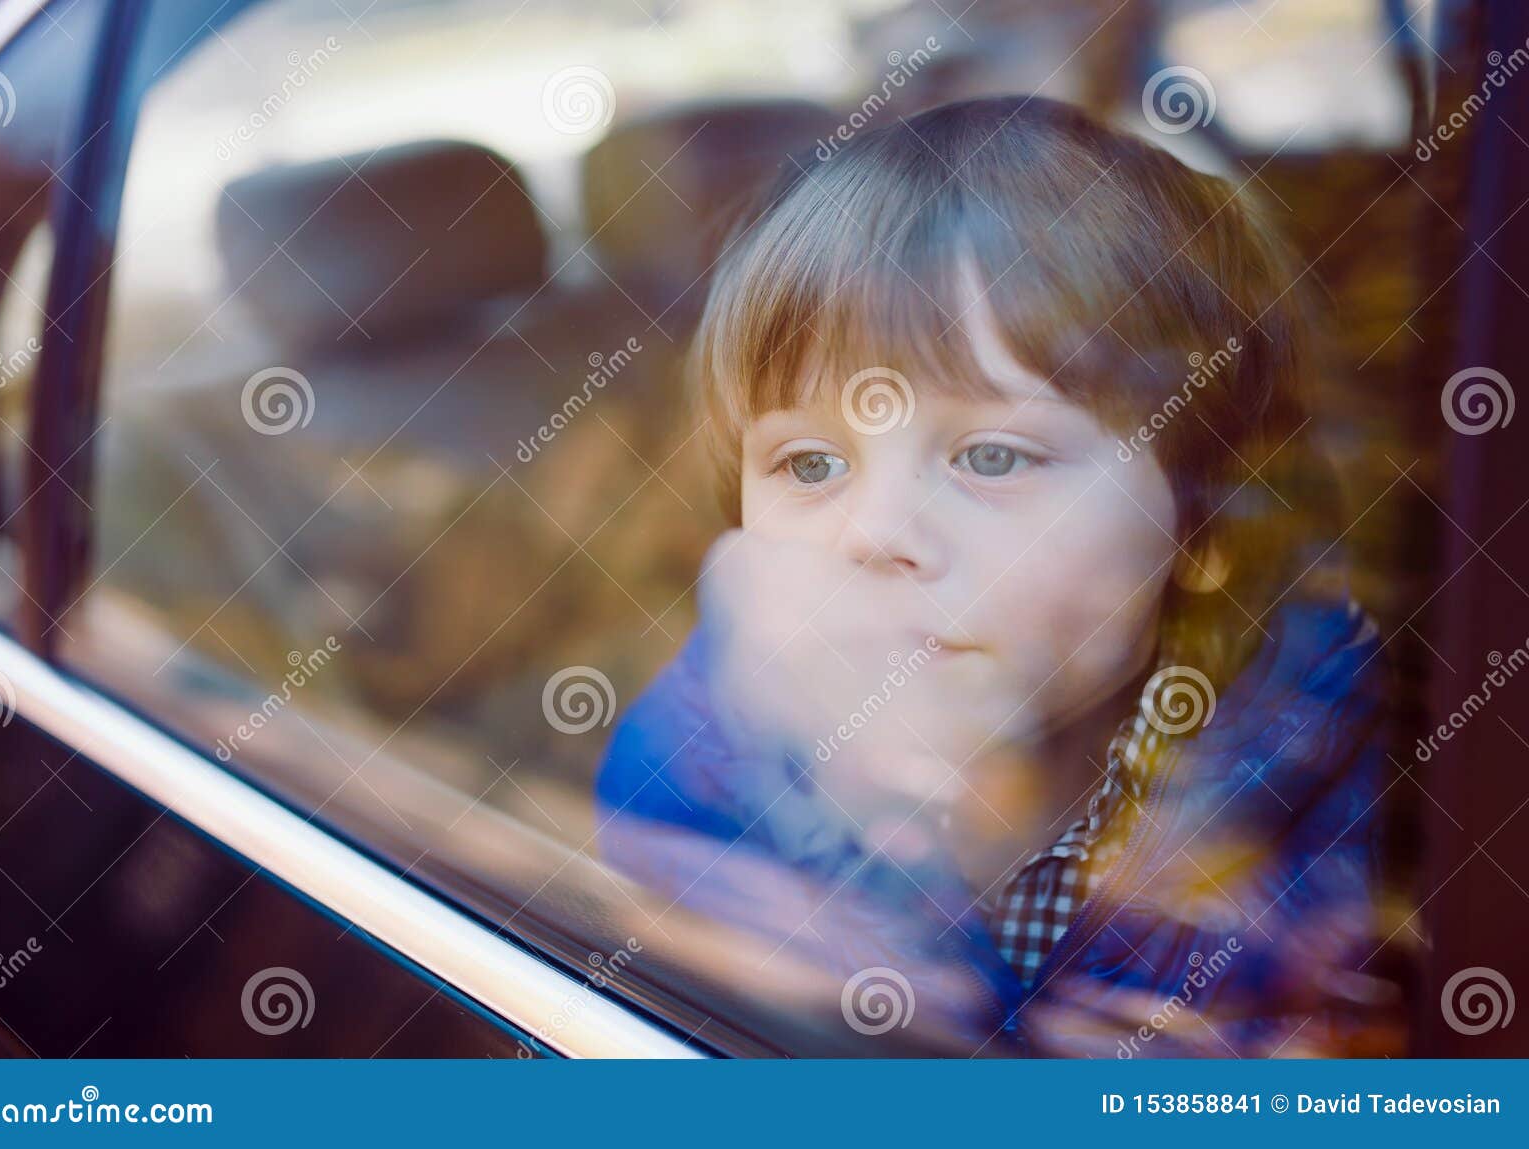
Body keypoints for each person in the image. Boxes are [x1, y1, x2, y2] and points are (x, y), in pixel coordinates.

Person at [594, 96, 1396, 1056]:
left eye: (993, 456)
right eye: (810, 464)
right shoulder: (706, 762)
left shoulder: (1317, 748)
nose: (874, 532)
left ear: (1203, 519)